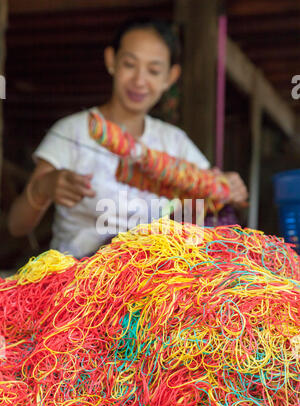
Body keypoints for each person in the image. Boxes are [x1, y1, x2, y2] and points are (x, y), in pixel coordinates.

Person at [8, 18, 248, 259]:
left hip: (148, 278)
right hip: (77, 279)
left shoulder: (175, 142)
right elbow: (17, 226)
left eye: (153, 70)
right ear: (111, 60)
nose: (139, 81)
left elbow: (208, 197)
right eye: (130, 64)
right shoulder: (72, 132)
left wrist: (228, 188)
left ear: (170, 77)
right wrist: (43, 188)